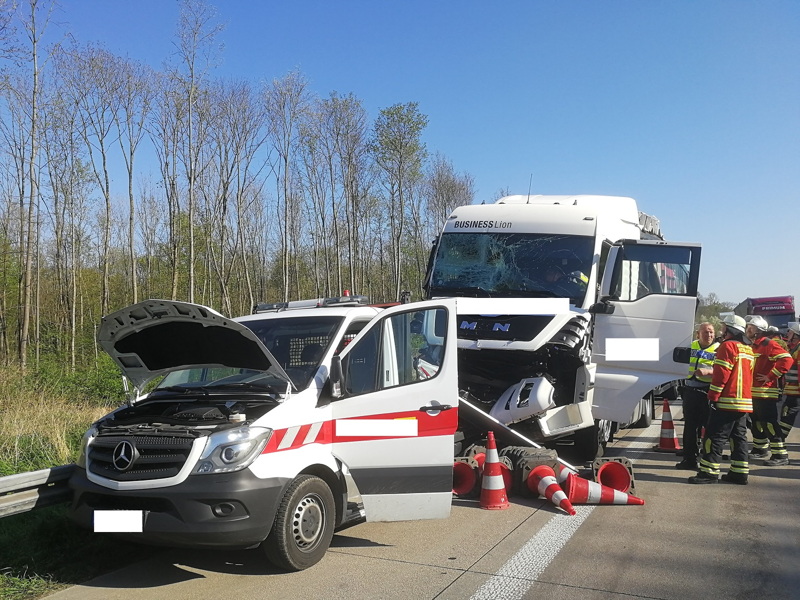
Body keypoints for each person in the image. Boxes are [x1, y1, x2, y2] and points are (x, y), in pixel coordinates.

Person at [689, 314, 754, 484]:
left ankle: (708, 473)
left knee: (714, 437)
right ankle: (739, 473)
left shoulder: (727, 346)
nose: (721, 330)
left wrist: (713, 396)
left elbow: (721, 375)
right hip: (743, 403)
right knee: (738, 438)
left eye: (724, 327)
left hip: (727, 401)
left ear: (730, 329)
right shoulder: (747, 349)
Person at [746, 315, 793, 465]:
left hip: (765, 393)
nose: (747, 330)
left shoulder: (768, 344)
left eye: (751, 328)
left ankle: (780, 455)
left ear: (759, 330)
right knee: (756, 422)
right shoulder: (753, 345)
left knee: (769, 423)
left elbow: (787, 359)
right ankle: (760, 449)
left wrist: (771, 376)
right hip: (753, 392)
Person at [676, 322, 718, 470]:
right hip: (690, 390)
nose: (709, 335)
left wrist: (709, 372)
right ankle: (689, 458)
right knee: (690, 426)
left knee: (709, 427)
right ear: (698, 334)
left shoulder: (718, 349)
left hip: (708, 391)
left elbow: (724, 370)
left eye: (711, 332)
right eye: (705, 332)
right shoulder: (690, 346)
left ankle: (708, 459)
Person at [778, 322, 800, 441]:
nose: (788, 333)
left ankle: (779, 440)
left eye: (790, 332)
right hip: (791, 391)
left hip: (796, 392)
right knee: (785, 416)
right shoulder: (793, 348)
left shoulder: (798, 349)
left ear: (796, 335)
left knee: (787, 417)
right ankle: (780, 439)